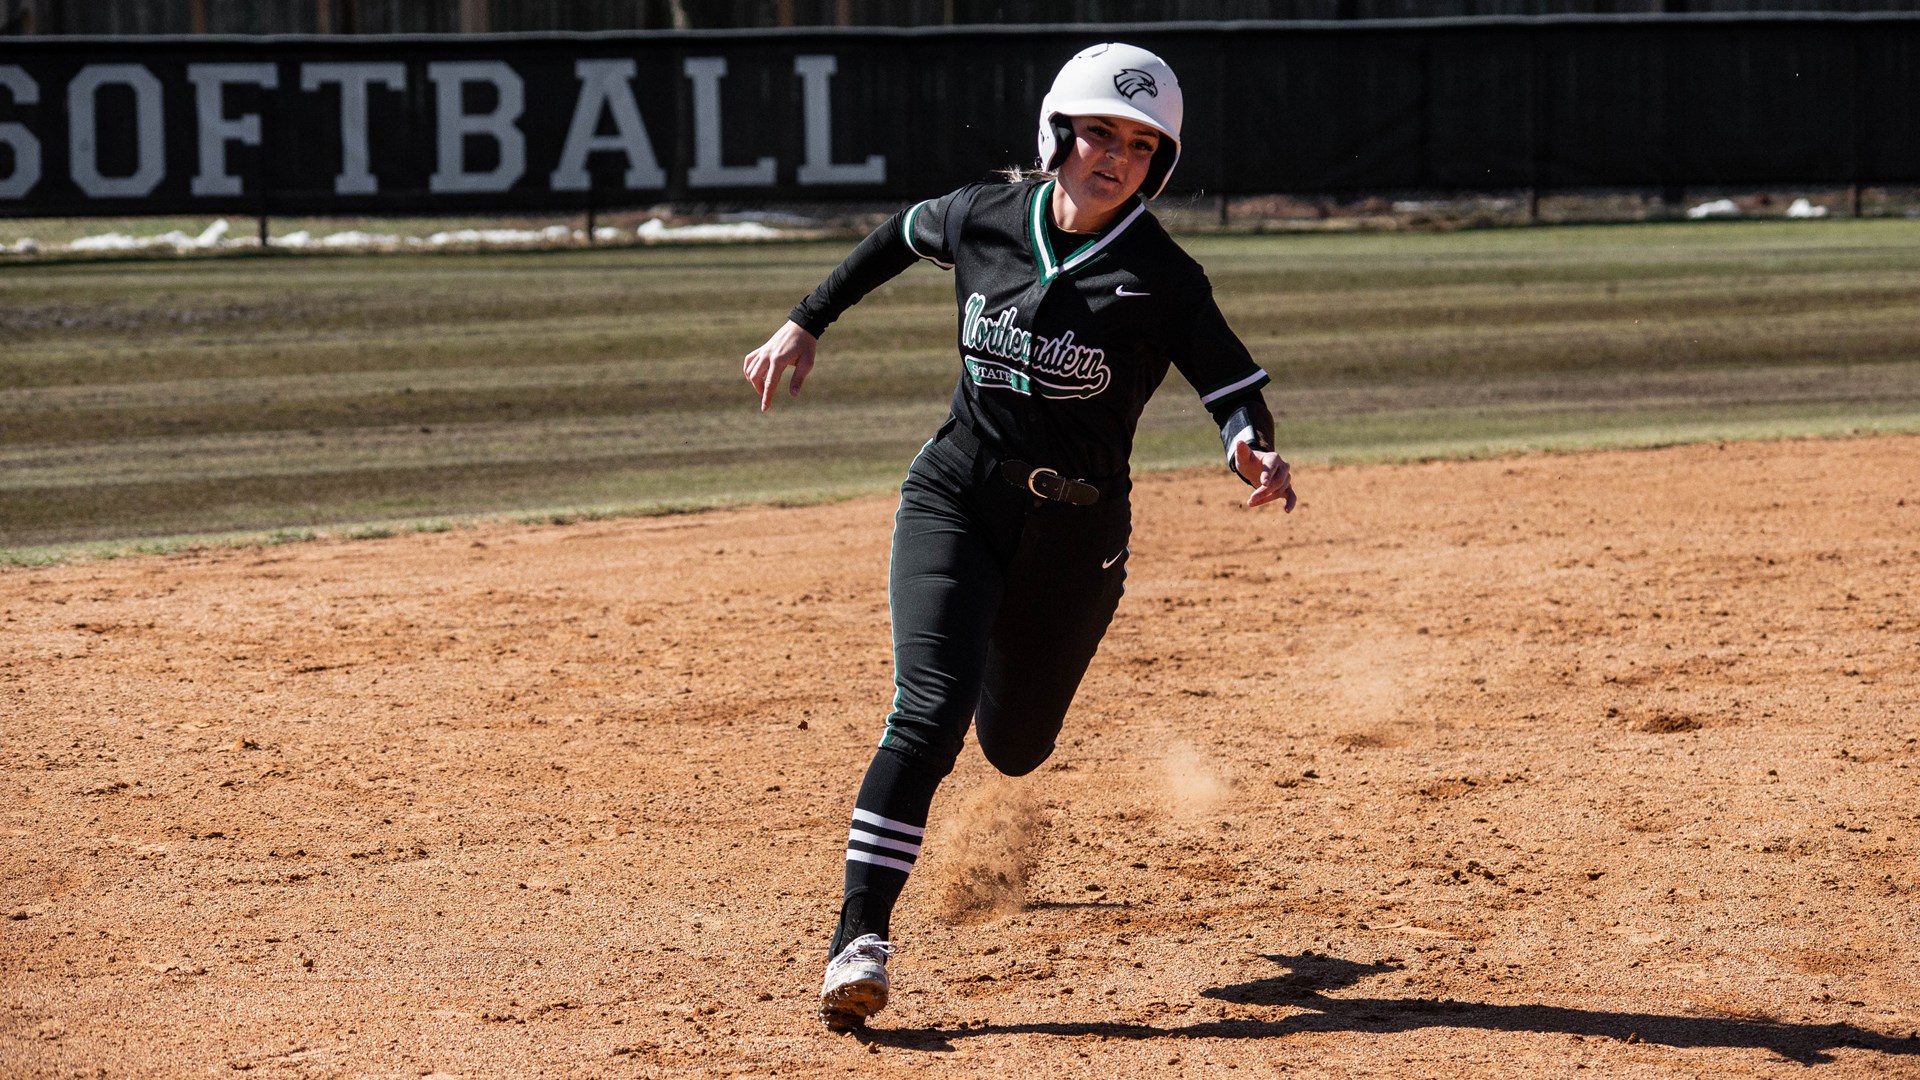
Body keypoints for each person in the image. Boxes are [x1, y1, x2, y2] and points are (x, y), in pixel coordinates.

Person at [742, 42, 1296, 1032]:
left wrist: (1251, 448)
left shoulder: (1163, 276)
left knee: (1015, 746)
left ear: (1157, 163)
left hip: (1076, 543)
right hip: (955, 496)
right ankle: (857, 941)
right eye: (1096, 132)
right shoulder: (984, 216)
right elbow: (898, 238)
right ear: (1056, 134)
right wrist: (805, 320)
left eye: (1140, 143)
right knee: (929, 713)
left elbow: (1233, 386)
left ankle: (994, 643)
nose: (1114, 156)